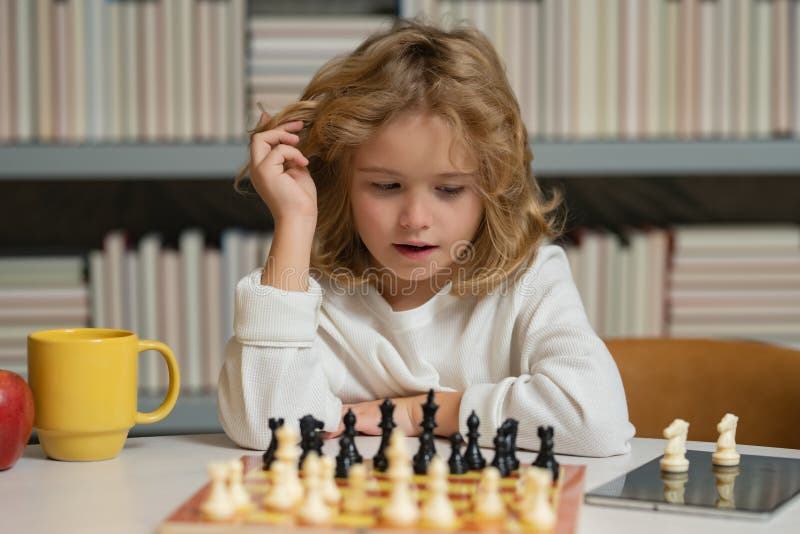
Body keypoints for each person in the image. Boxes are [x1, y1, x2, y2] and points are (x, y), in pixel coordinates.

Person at [218, 19, 635, 456]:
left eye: (449, 190)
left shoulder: (529, 280)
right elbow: (268, 429)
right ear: (341, 181)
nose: (415, 219)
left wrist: (425, 413)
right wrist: (296, 220)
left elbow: (596, 421)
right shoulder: (306, 292)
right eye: (386, 186)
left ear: (494, 186)